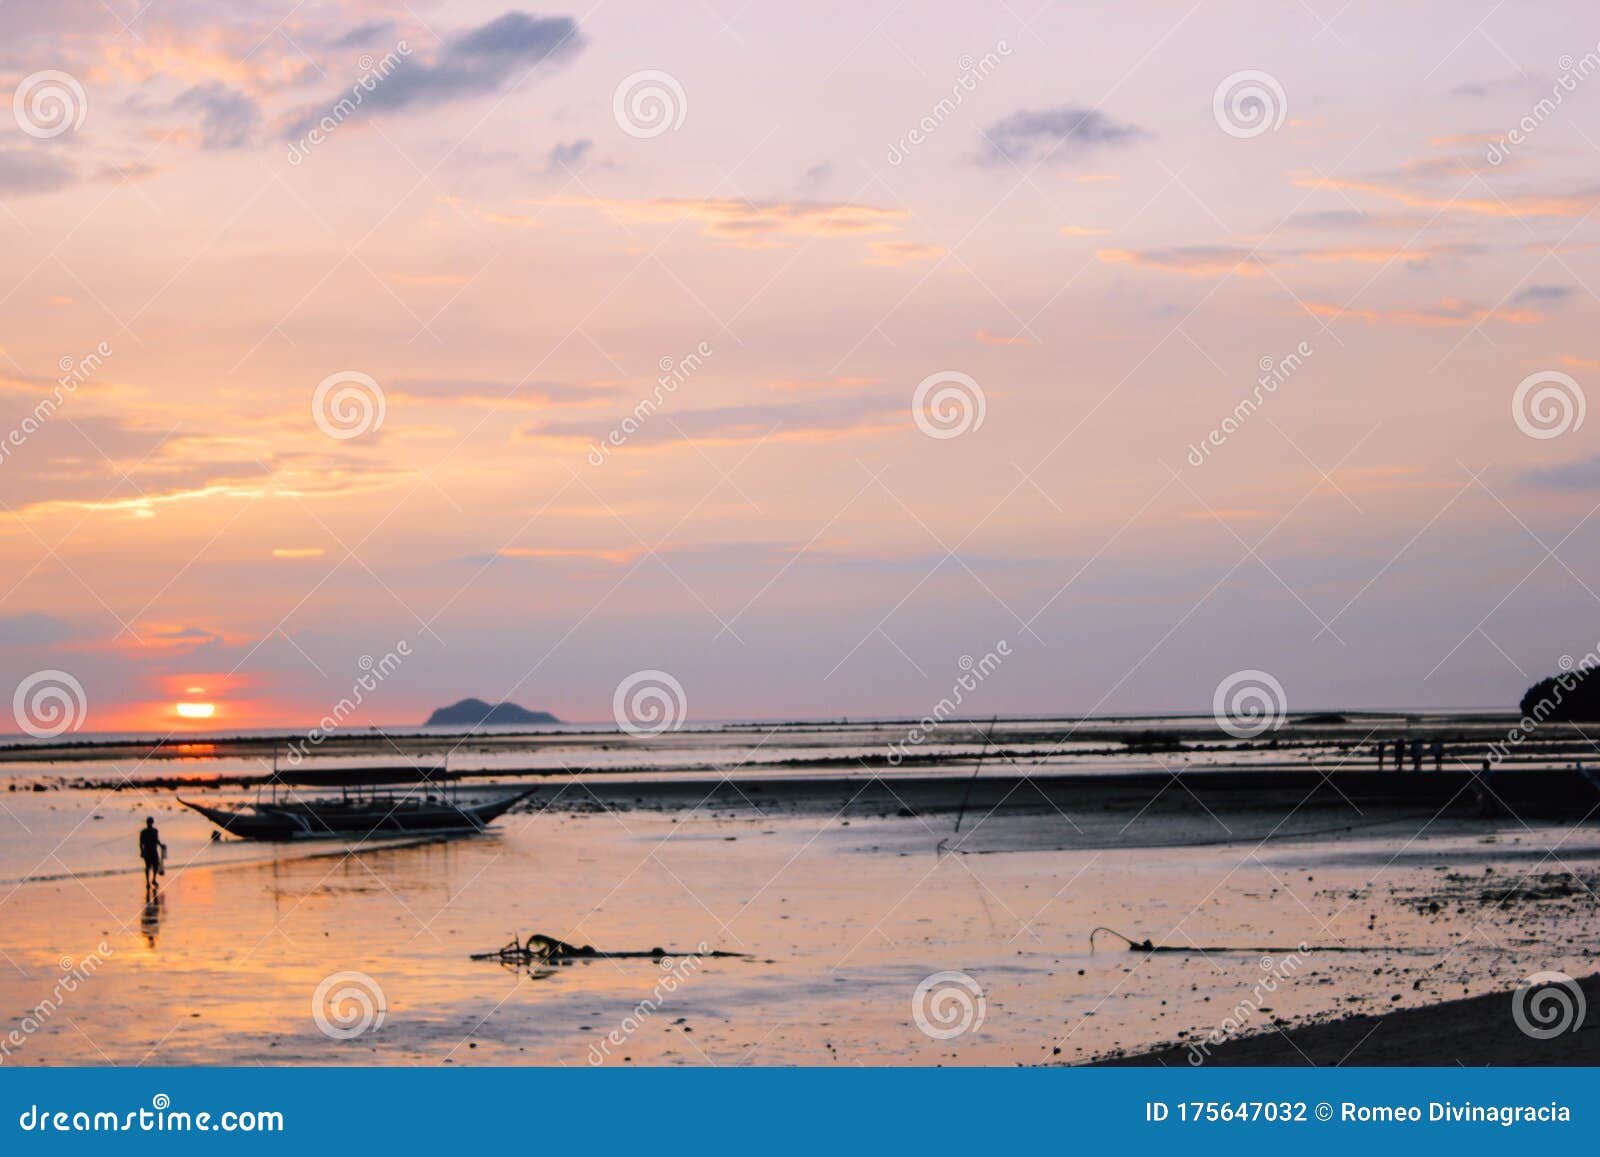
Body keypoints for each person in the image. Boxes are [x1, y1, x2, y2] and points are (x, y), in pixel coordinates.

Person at [139, 817, 166, 892]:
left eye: (150, 822)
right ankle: (149, 881)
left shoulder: (152, 831)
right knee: (149, 866)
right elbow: (141, 843)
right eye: (149, 822)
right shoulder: (145, 832)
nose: (150, 824)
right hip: (149, 851)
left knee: (155, 866)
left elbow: (156, 840)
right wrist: (141, 851)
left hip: (150, 851)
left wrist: (160, 845)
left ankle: (152, 880)